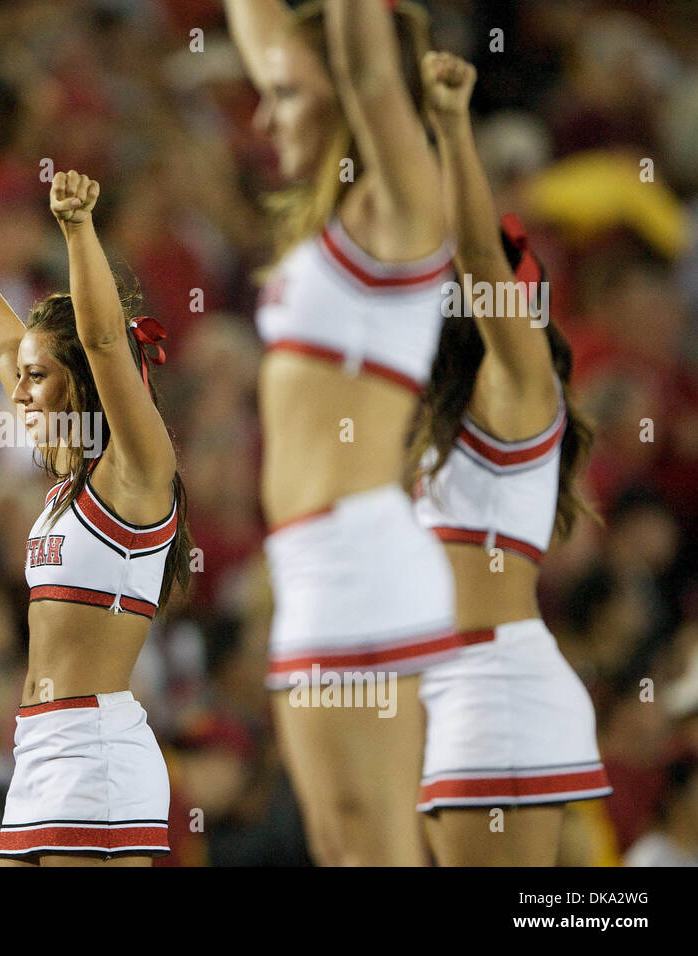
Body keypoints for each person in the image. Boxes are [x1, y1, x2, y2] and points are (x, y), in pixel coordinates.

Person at [0, 169, 192, 865]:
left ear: (82, 384)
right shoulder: (71, 475)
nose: (18, 392)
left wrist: (76, 231)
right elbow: (5, 346)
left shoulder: (135, 470)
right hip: (42, 746)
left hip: (94, 753)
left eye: (37, 379)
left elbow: (102, 341)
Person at [226, 0, 458, 865]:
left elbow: (363, 69)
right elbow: (259, 34)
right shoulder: (336, 224)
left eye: (286, 95)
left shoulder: (400, 211)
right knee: (350, 853)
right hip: (312, 571)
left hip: (360, 565)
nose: (261, 113)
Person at [409, 51, 611, 866]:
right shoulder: (442, 430)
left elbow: (481, 261)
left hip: (495, 687)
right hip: (449, 688)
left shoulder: (522, 387)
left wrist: (454, 127)